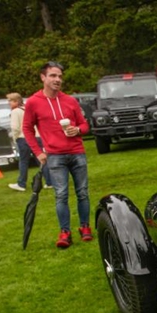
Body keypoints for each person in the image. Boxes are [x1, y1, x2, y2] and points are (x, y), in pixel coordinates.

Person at [22, 61, 92, 249]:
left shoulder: (70, 100)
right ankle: (65, 232)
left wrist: (77, 129)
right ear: (43, 77)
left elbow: (85, 126)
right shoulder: (33, 102)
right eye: (53, 76)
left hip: (77, 152)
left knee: (82, 192)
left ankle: (85, 227)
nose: (57, 79)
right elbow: (27, 129)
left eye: (60, 76)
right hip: (54, 156)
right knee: (61, 194)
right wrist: (38, 152)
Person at [7, 93, 53, 192]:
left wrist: (15, 138)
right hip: (37, 136)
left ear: (16, 101)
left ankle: (21, 183)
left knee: (23, 161)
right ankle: (49, 182)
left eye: (10, 101)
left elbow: (15, 127)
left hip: (23, 137)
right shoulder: (28, 109)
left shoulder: (15, 111)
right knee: (41, 159)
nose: (9, 103)